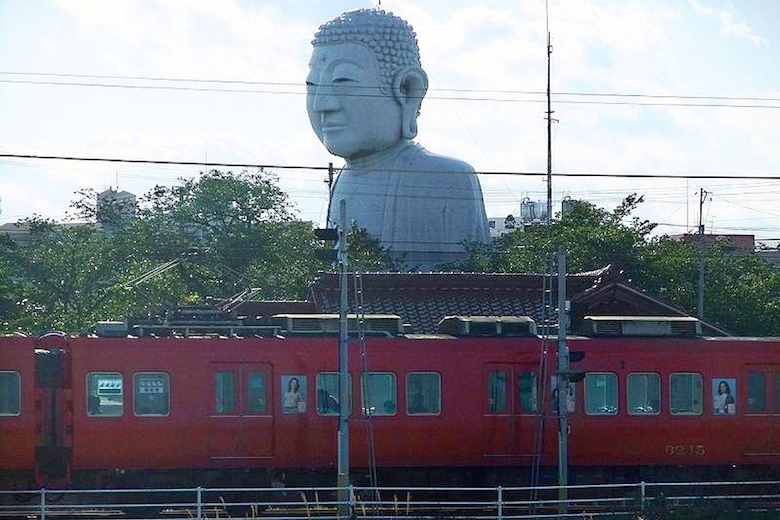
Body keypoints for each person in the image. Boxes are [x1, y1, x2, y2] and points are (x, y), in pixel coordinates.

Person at [307, 9, 490, 270]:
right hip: (351, 307)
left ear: (408, 89)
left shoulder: (446, 178)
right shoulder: (344, 178)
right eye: (312, 84)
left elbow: (461, 286)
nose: (321, 103)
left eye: (343, 80)